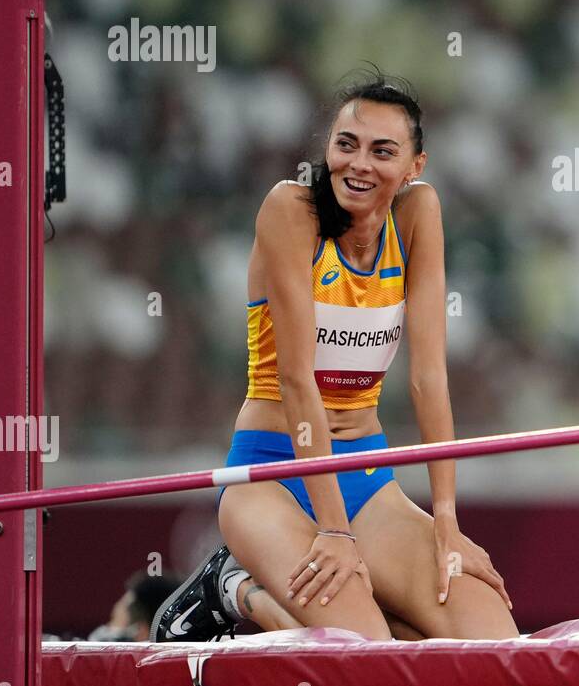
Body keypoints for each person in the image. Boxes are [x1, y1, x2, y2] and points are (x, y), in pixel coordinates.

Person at [154, 72, 515, 643]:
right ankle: (236, 591)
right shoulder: (290, 209)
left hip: (365, 476)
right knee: (364, 656)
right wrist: (334, 532)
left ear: (415, 167)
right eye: (346, 144)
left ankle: (280, 593)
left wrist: (447, 519)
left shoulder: (418, 214)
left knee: (493, 642)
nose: (359, 164)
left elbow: (427, 376)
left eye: (383, 151)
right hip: (274, 472)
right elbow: (298, 380)